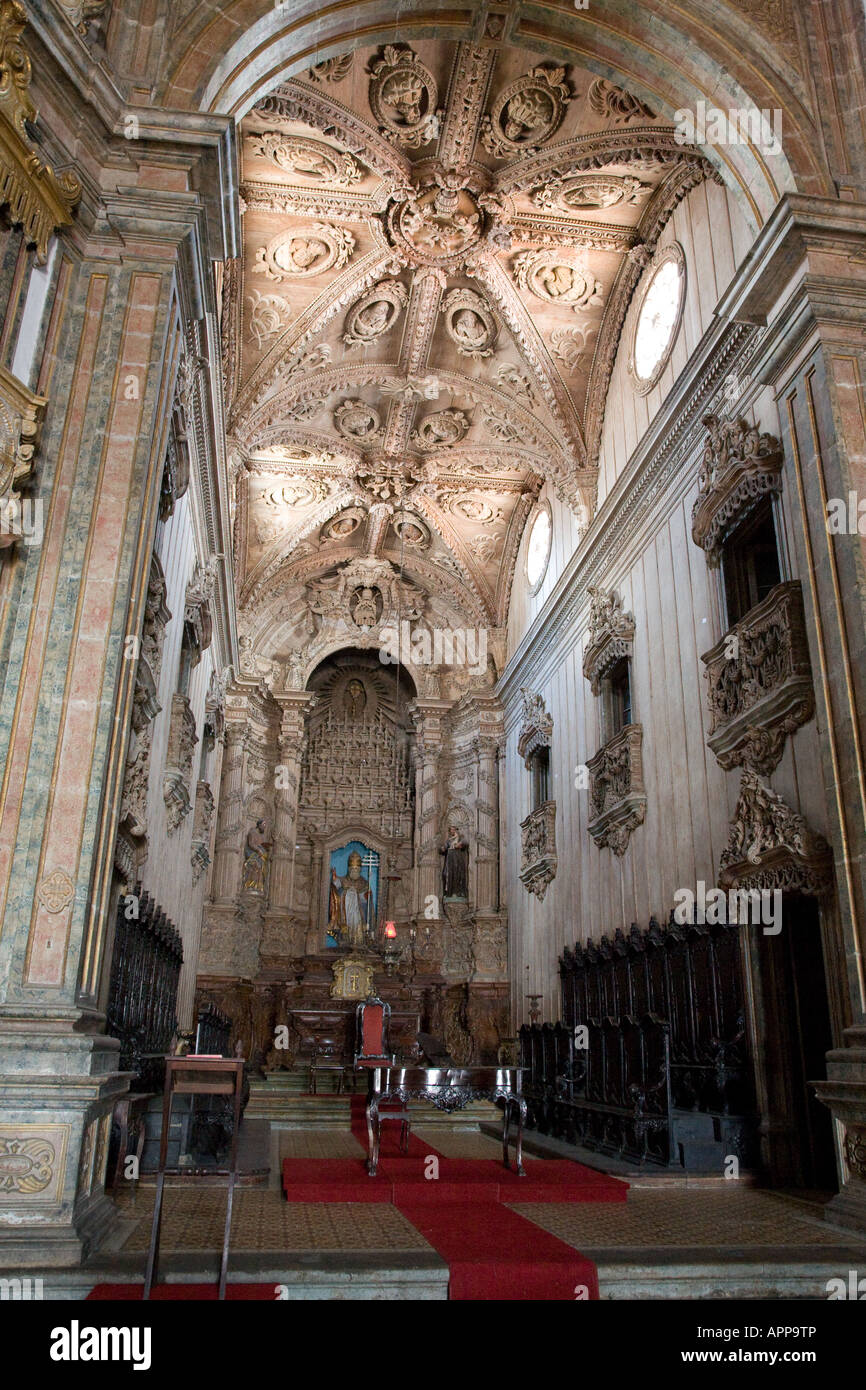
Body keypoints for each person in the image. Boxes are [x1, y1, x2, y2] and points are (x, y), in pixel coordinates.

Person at [329, 850, 373, 946]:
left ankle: (358, 941)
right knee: (346, 928)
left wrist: (366, 895)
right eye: (352, 869)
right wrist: (334, 879)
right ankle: (345, 940)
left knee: (357, 928)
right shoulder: (343, 880)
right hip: (345, 912)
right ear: (349, 869)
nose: (354, 871)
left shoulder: (364, 883)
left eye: (356, 869)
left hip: (358, 913)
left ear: (360, 869)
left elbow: (367, 903)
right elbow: (336, 887)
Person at [440, 825, 469, 900]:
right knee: (447, 874)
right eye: (451, 830)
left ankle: (459, 892)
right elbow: (445, 847)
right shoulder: (449, 840)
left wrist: (459, 845)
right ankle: (449, 893)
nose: (452, 831)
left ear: (456, 830)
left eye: (453, 830)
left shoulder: (460, 838)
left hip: (458, 858)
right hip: (450, 859)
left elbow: (466, 843)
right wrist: (442, 849)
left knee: (458, 874)